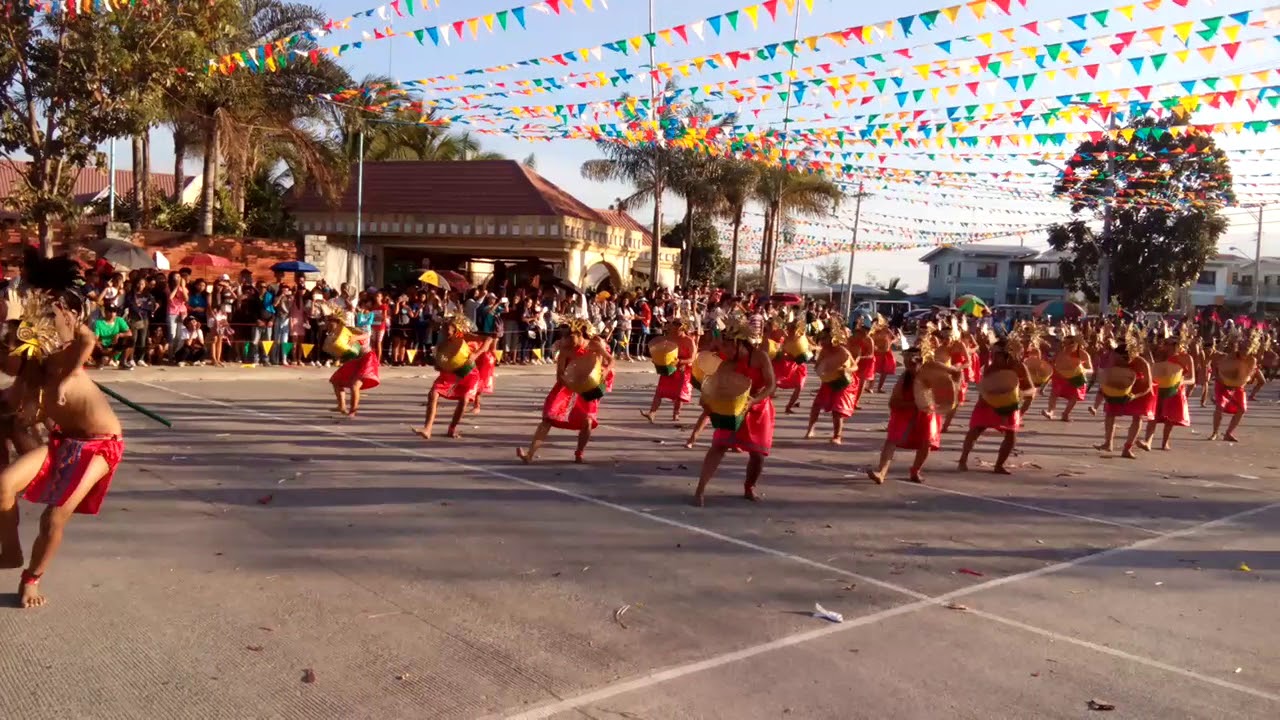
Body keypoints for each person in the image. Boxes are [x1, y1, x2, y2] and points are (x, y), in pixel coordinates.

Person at [0, 255, 126, 608]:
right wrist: (10, 322)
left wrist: (70, 376)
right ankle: (10, 552)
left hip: (101, 444)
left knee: (54, 516)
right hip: (63, 441)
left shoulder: (66, 335)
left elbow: (83, 336)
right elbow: (11, 371)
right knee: (4, 485)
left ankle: (31, 579)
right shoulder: (31, 362)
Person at [691, 315, 776, 506]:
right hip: (733, 408)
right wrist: (706, 402)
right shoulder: (726, 364)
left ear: (739, 343)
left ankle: (749, 487)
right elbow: (714, 388)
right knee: (718, 447)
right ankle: (700, 489)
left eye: (727, 347)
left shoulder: (760, 356)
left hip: (758, 409)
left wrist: (755, 400)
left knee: (757, 455)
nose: (724, 351)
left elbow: (771, 385)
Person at [517, 318, 614, 464]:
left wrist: (605, 370)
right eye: (566, 336)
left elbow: (611, 360)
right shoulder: (565, 349)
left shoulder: (594, 345)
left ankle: (579, 453)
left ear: (581, 333)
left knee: (587, 421)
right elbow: (560, 375)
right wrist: (572, 384)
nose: (567, 339)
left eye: (571, 336)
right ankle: (529, 455)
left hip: (589, 386)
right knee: (547, 419)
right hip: (567, 386)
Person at [866, 346, 938, 484]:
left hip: (926, 412)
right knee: (891, 440)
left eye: (912, 359)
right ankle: (881, 472)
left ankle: (915, 471)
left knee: (926, 443)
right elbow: (893, 403)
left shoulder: (930, 373)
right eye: (906, 359)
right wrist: (913, 405)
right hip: (905, 410)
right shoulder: (904, 378)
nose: (908, 362)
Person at [958, 337, 1030, 475]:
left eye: (996, 353)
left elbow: (1031, 389)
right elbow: (986, 387)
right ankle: (963, 460)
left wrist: (1020, 394)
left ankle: (999, 465)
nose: (992, 356)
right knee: (975, 430)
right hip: (987, 401)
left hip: (1010, 403)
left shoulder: (1019, 366)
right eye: (992, 353)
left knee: (1011, 435)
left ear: (1006, 354)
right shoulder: (991, 368)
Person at [413, 316, 491, 440]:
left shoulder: (462, 336)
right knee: (433, 393)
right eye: (444, 329)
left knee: (464, 400)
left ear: (455, 330)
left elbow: (488, 339)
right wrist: (438, 365)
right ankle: (427, 429)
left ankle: (452, 429)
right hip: (451, 373)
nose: (445, 332)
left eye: (447, 329)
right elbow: (441, 360)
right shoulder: (444, 340)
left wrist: (476, 354)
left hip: (469, 372)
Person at [1095, 332, 1155, 459]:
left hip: (1138, 390)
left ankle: (1127, 448)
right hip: (1118, 387)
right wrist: (1104, 392)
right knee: (1110, 414)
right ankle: (1108, 443)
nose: (1124, 361)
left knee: (1137, 418)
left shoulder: (1142, 363)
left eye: (1127, 359)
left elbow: (1148, 386)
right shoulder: (1114, 358)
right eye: (1121, 358)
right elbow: (1105, 378)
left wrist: (1135, 395)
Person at [1137, 327, 1194, 451]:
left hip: (1175, 389)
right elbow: (1152, 369)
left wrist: (1180, 382)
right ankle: (1148, 442)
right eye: (1166, 343)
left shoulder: (1186, 357)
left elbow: (1192, 378)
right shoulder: (1160, 356)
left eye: (1172, 344)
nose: (1168, 346)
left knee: (1169, 418)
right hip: (1159, 387)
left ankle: (1165, 442)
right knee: (1154, 416)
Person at [804, 322, 860, 444]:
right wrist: (821, 369)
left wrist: (846, 369)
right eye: (821, 339)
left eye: (825, 339)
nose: (822, 342)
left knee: (838, 410)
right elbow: (818, 366)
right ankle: (810, 430)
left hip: (843, 382)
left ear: (832, 339)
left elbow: (855, 366)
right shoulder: (824, 351)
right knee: (816, 405)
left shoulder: (843, 351)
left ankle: (837, 436)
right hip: (829, 380)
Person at [323, 312, 380, 417]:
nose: (329, 326)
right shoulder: (336, 336)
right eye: (329, 323)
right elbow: (344, 353)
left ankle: (353, 410)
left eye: (331, 323)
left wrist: (355, 338)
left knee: (355, 386)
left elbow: (367, 334)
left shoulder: (351, 330)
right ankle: (342, 406)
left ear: (338, 323)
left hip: (367, 359)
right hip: (355, 360)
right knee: (336, 381)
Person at [641, 318, 697, 423]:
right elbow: (660, 350)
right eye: (674, 323)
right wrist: (657, 360)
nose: (674, 326)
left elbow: (692, 358)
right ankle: (652, 412)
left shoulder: (689, 340)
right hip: (669, 367)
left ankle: (676, 413)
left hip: (683, 368)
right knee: (659, 391)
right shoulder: (668, 338)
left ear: (683, 327)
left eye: (677, 324)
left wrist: (681, 361)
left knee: (680, 394)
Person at [1208, 330, 1259, 442]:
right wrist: (1217, 376)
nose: (1244, 350)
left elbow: (1248, 376)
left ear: (1251, 349)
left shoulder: (1252, 360)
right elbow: (1216, 362)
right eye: (1242, 347)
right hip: (1222, 384)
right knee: (1219, 407)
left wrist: (1240, 383)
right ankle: (1214, 433)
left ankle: (1228, 433)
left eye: (1247, 348)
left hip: (1238, 387)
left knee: (1242, 409)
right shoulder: (1229, 356)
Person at [1042, 329, 1092, 422]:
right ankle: (1050, 412)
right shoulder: (1061, 351)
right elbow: (1053, 359)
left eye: (1069, 343)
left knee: (1074, 397)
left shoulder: (1080, 352)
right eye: (1065, 342)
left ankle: (1065, 414)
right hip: (1060, 375)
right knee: (1054, 394)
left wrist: (1081, 362)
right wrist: (1050, 361)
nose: (1066, 345)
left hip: (1075, 376)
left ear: (1074, 343)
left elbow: (1088, 366)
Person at [771, 318, 810, 414]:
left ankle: (788, 406)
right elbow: (783, 352)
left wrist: (812, 348)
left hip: (798, 366)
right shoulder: (786, 337)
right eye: (792, 328)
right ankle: (766, 400)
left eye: (795, 328)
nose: (793, 330)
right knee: (775, 382)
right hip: (787, 365)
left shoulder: (801, 336)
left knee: (799, 386)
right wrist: (789, 356)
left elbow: (807, 344)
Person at [91, 303, 134, 369]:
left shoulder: (119, 320)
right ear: (105, 312)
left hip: (115, 345)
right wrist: (99, 344)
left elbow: (129, 333)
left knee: (130, 340)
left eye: (114, 311)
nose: (112, 314)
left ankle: (123, 362)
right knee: (92, 343)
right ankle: (99, 361)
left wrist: (119, 334)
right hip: (103, 346)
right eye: (110, 311)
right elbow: (96, 337)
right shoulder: (98, 322)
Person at [871, 315, 899, 393]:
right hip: (876, 352)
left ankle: (879, 388)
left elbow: (895, 338)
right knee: (873, 370)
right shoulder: (873, 331)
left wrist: (890, 342)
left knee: (885, 371)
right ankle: (870, 387)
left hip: (886, 352)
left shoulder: (886, 330)